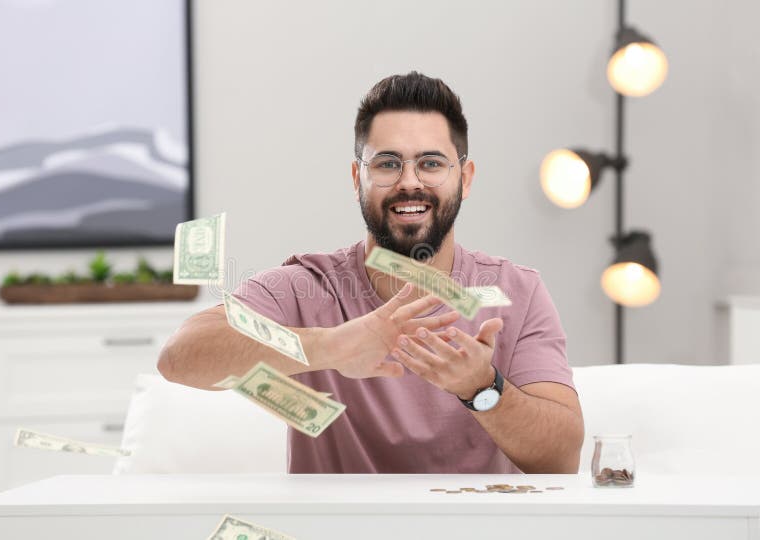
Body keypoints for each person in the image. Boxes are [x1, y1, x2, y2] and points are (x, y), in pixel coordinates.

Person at [158, 71, 584, 474]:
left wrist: (481, 387)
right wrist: (328, 346)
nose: (409, 182)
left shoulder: (517, 291)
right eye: (387, 164)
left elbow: (561, 458)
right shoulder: (306, 286)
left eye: (432, 163)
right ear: (356, 177)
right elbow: (179, 358)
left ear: (465, 178)